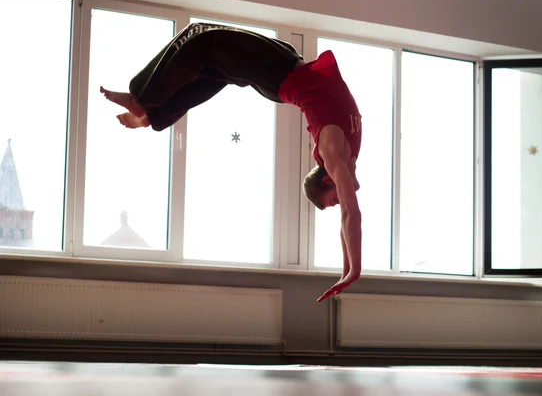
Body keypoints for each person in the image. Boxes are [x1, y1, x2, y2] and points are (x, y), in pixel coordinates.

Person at [100, 22, 362, 302]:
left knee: (207, 50)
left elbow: (349, 212)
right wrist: (351, 270)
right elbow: (350, 215)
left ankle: (146, 108)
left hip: (280, 73)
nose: (342, 201)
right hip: (280, 68)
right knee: (208, 56)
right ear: (327, 179)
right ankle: (145, 104)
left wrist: (349, 272)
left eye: (335, 201)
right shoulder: (336, 155)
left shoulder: (341, 158)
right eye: (335, 201)